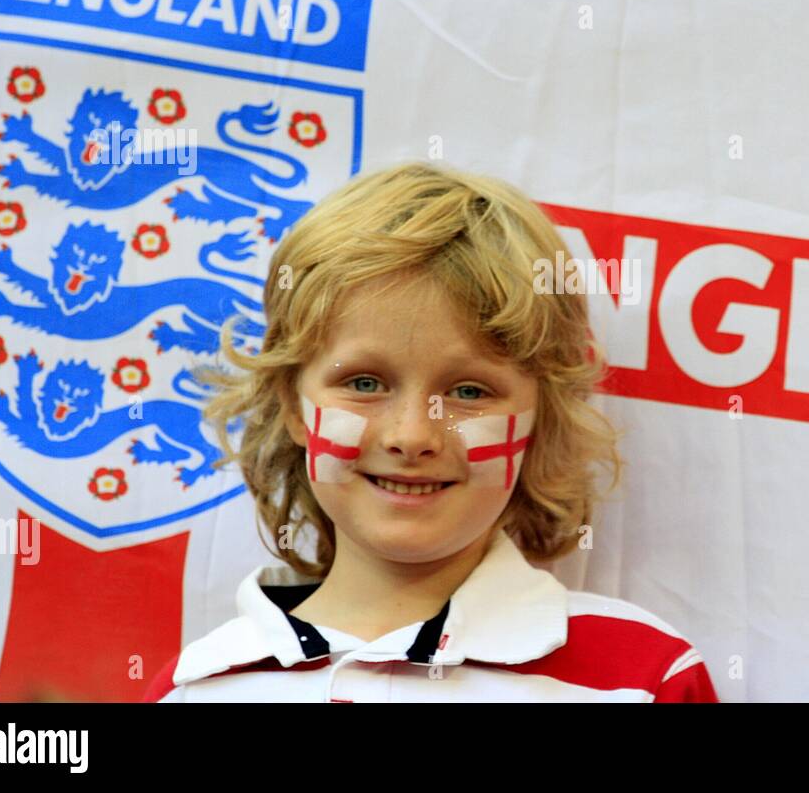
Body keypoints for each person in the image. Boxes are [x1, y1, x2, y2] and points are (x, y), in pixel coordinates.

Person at [143, 161, 719, 702]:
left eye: (469, 392)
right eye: (365, 383)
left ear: (540, 418)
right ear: (291, 403)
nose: (414, 434)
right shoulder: (198, 687)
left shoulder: (640, 679)